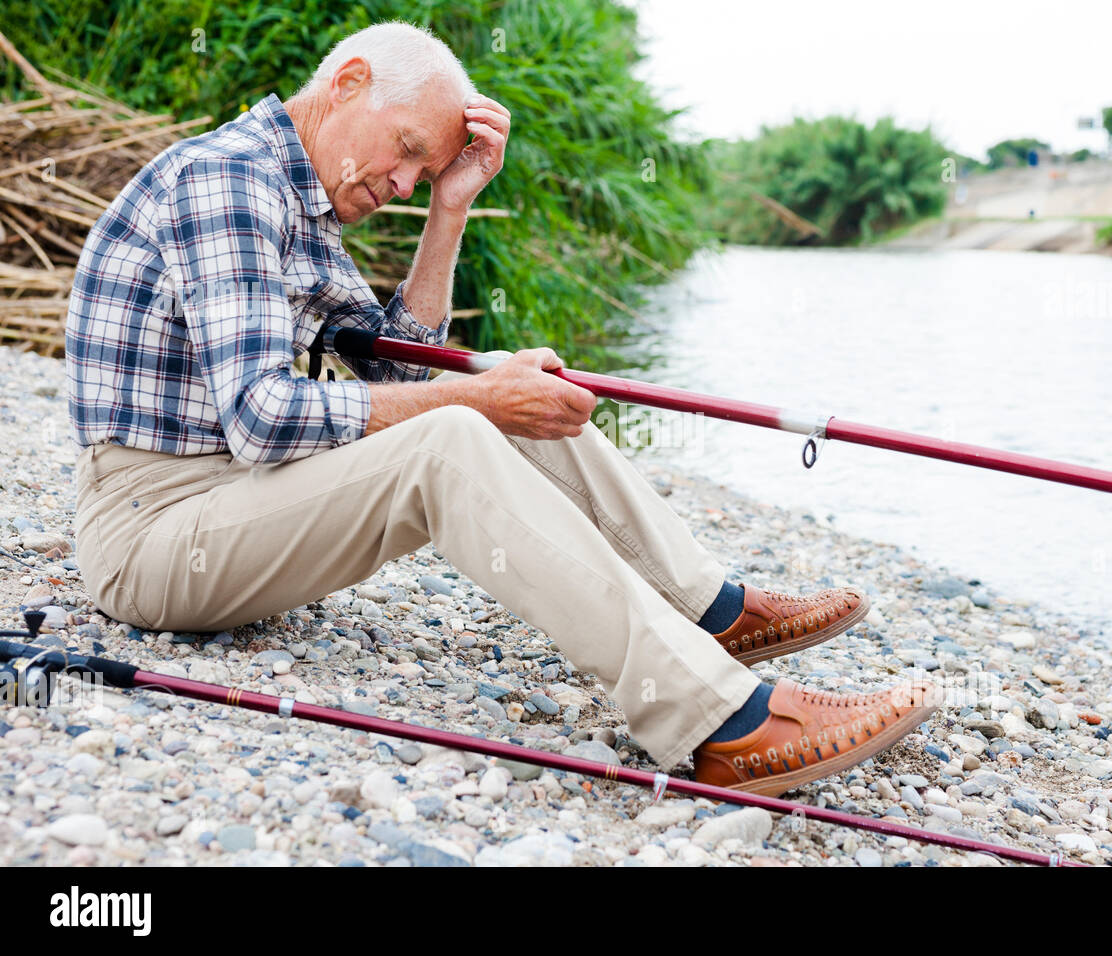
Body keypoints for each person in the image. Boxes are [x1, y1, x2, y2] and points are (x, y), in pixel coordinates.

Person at [65, 21, 938, 796]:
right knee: (453, 428)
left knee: (484, 406)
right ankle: (723, 727)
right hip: (153, 535)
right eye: (408, 151)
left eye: (425, 170)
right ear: (349, 83)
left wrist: (454, 212)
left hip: (230, 502)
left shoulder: (300, 195)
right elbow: (261, 414)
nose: (405, 181)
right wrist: (475, 397)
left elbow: (386, 354)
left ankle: (708, 612)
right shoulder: (227, 180)